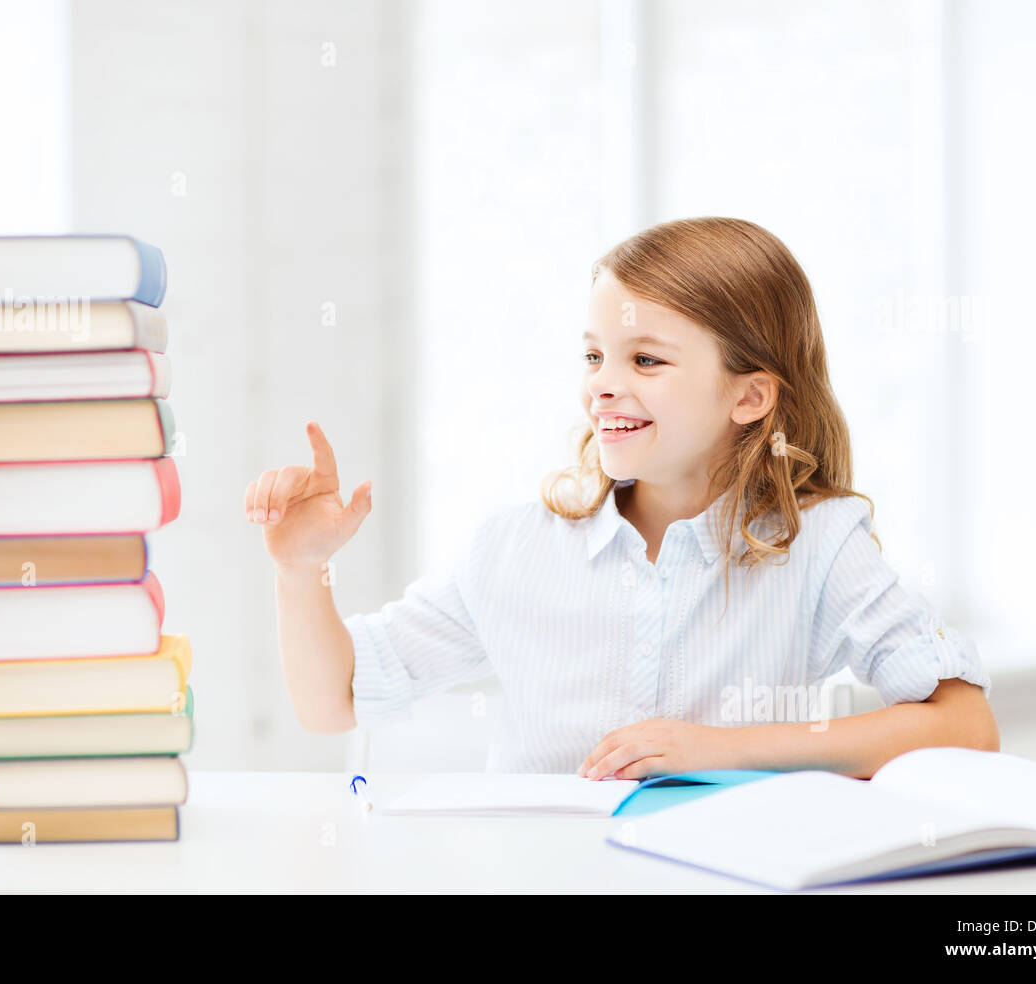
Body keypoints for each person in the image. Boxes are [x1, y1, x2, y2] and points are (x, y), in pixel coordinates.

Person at [244, 216, 998, 779]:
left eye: (645, 358)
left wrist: (726, 751)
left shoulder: (821, 545)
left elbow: (966, 725)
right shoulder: (516, 547)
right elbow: (334, 701)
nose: (603, 382)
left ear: (749, 396)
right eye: (595, 355)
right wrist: (299, 569)